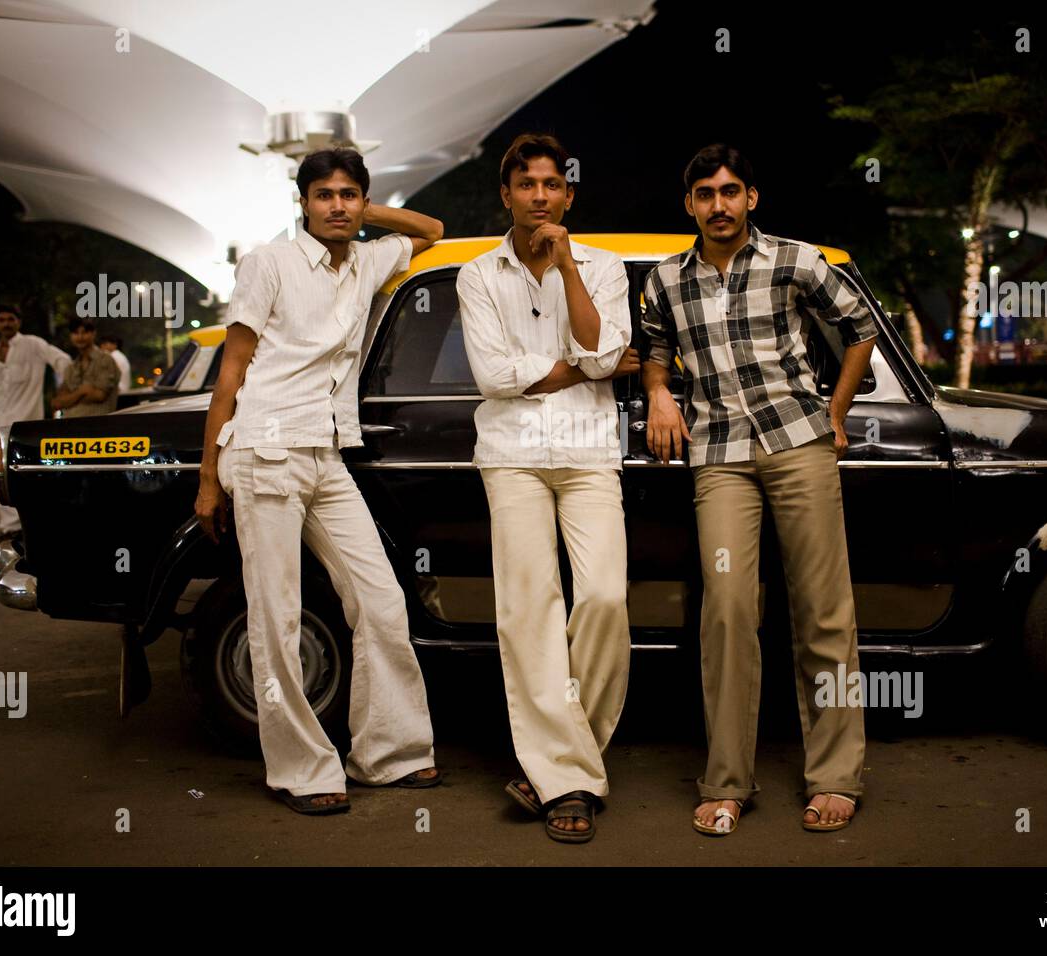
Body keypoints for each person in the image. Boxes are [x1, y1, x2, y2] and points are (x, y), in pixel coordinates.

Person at [194, 147, 444, 816]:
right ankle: (300, 769)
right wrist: (208, 481)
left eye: (349, 195)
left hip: (327, 454)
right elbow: (232, 369)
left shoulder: (368, 260)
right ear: (302, 202)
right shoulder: (268, 264)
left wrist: (370, 211)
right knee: (275, 617)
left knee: (382, 600)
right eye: (325, 195)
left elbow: (431, 233)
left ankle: (387, 753)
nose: (338, 205)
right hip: (265, 449)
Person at [640, 144, 877, 835]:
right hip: (718, 456)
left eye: (731, 191)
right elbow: (655, 352)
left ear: (751, 199)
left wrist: (833, 415)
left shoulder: (798, 261)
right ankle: (725, 782)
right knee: (727, 609)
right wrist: (659, 394)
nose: (719, 204)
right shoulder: (665, 280)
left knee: (824, 610)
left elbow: (860, 328)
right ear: (689, 205)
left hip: (798, 444)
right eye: (705, 194)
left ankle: (836, 775)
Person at [457, 133, 639, 843]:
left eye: (551, 184)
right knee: (528, 610)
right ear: (506, 194)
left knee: (603, 598)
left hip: (590, 452)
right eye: (526, 184)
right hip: (511, 456)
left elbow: (601, 351)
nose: (540, 195)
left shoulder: (602, 265)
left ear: (568, 194)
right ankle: (569, 781)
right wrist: (585, 366)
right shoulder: (478, 275)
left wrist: (568, 268)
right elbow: (493, 376)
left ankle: (560, 761)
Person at [0, 304, 71, 538]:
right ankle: (9, 526)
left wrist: (63, 392)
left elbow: (63, 361)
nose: (6, 323)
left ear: (18, 322)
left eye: (10, 319)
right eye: (1, 320)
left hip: (24, 424)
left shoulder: (33, 344)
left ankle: (28, 525)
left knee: (25, 476)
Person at [51, 318, 120, 417]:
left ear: (93, 333)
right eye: (75, 333)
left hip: (98, 427)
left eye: (84, 332)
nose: (80, 337)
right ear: (71, 336)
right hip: (71, 428)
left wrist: (69, 397)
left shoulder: (105, 360)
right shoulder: (71, 367)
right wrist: (82, 391)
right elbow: (56, 403)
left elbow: (99, 396)